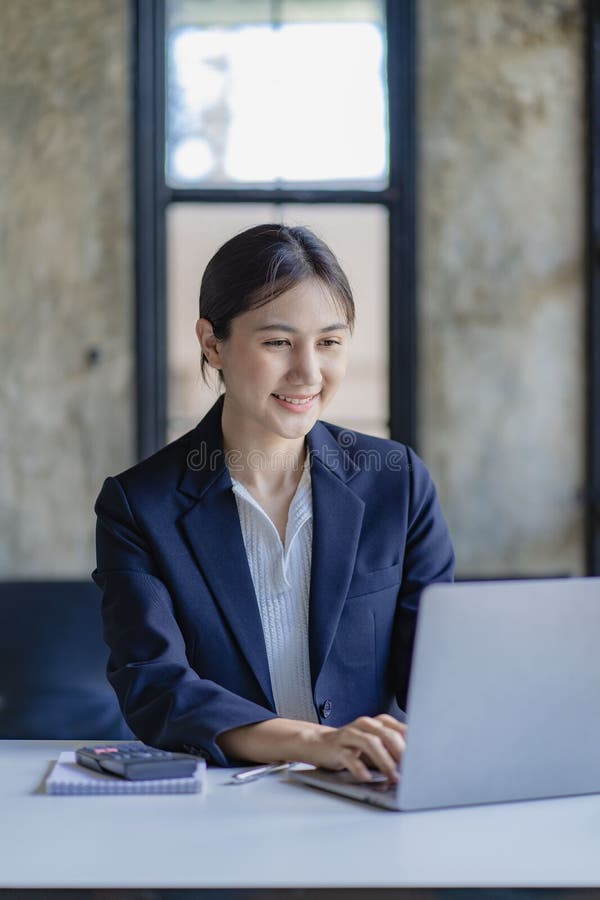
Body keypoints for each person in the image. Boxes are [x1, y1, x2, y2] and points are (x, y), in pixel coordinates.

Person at [93, 223, 454, 783]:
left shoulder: (397, 483)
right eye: (277, 342)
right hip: (223, 805)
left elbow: (439, 672)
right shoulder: (139, 506)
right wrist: (318, 742)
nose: (308, 373)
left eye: (329, 342)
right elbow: (156, 686)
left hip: (365, 799)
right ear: (212, 342)